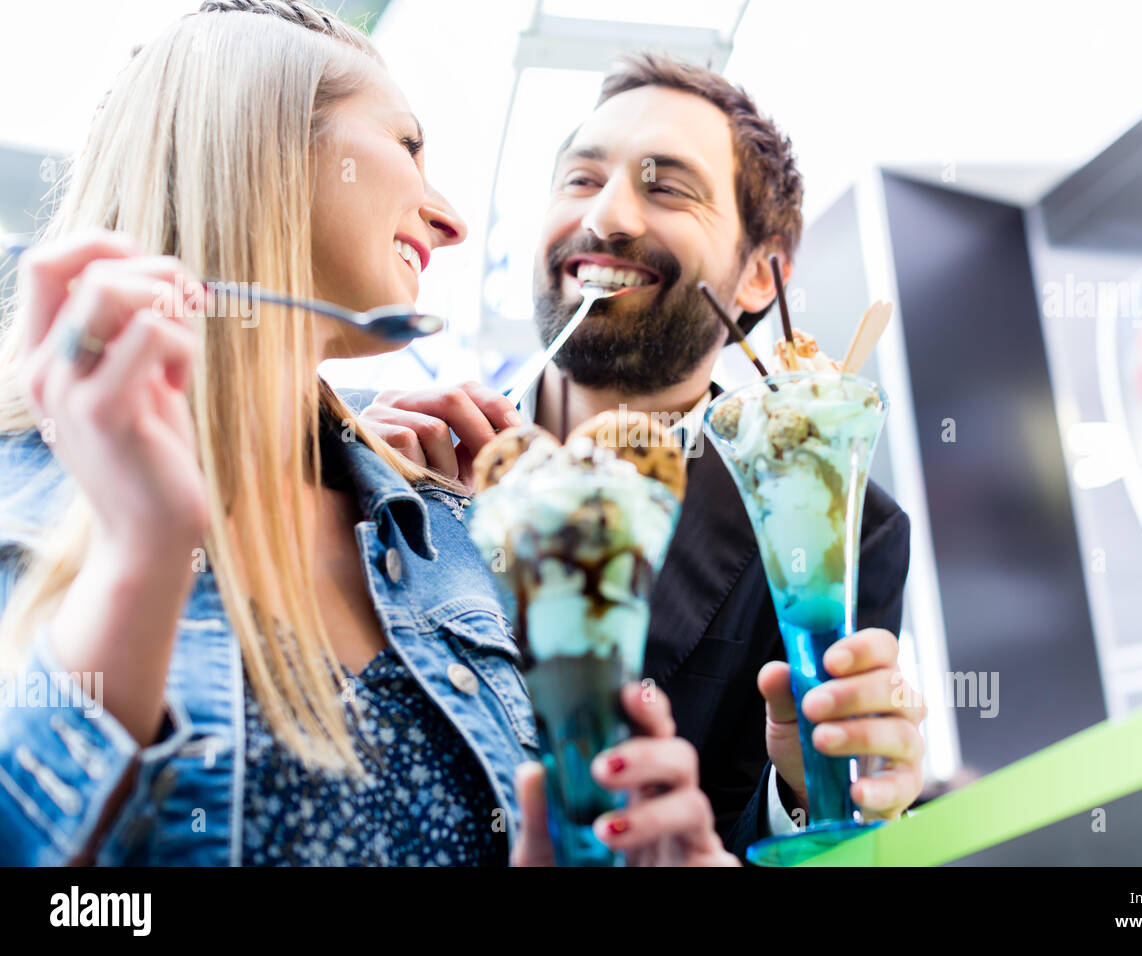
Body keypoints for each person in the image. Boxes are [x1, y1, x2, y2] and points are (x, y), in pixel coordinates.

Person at [0, 0, 734, 867]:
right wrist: (143, 553)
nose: (453, 220)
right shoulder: (27, 512)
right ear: (260, 144)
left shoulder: (439, 528)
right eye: (409, 146)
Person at [354, 53, 927, 855]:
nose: (608, 218)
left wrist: (805, 789)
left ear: (762, 275)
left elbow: (806, 830)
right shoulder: (390, 449)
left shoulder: (841, 514)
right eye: (581, 180)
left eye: (666, 188)